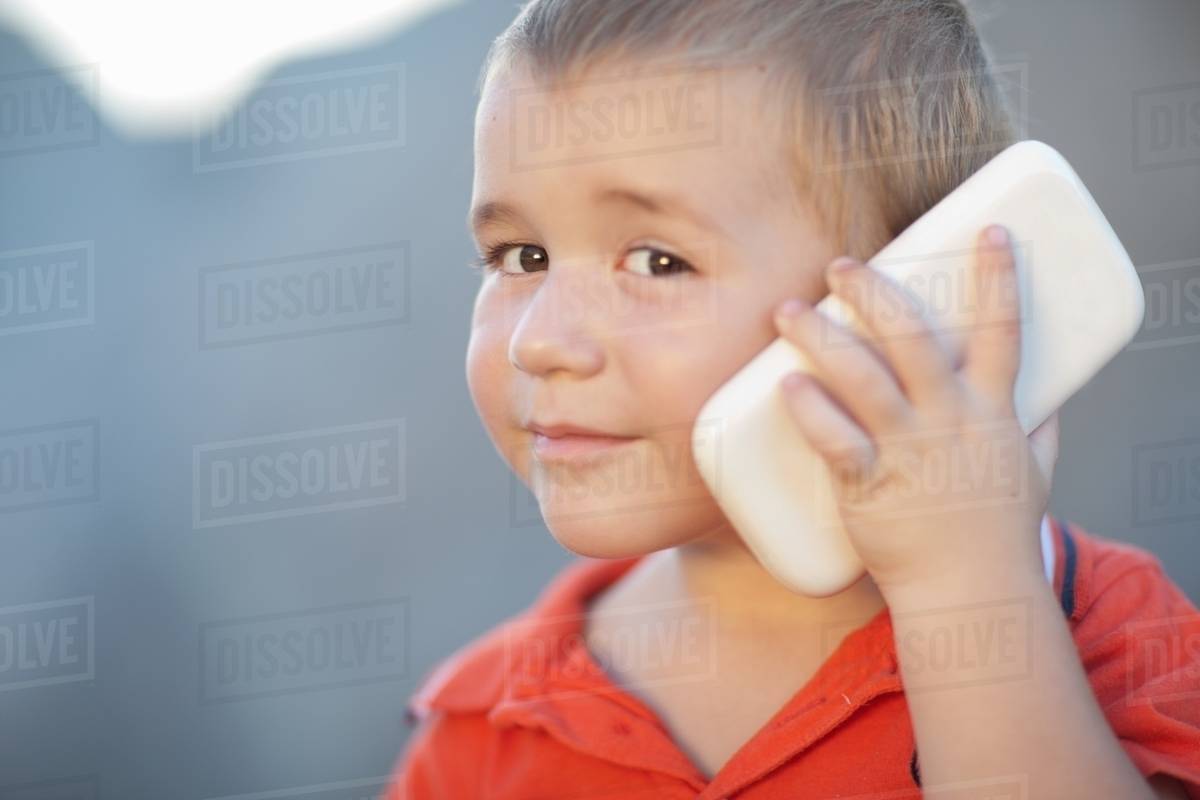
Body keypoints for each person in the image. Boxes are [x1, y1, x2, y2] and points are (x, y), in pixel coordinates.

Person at [388, 0, 1200, 796]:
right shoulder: (478, 736)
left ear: (915, 289)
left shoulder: (1116, 639)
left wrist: (965, 585)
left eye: (657, 262)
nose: (539, 341)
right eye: (522, 255)